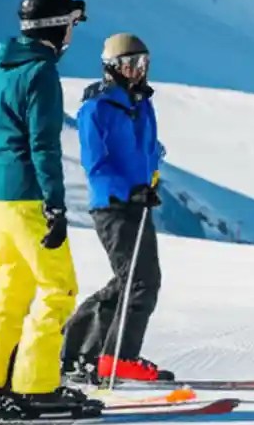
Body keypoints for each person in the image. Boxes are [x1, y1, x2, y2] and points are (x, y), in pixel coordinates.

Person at [0, 0, 100, 419]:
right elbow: (43, 146)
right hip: (27, 196)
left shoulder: (3, 69)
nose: (73, 33)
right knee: (58, 289)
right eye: (71, 24)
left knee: (11, 290)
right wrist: (55, 205)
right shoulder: (41, 74)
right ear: (55, 27)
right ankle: (36, 386)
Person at [60, 33, 172, 384]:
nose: (138, 72)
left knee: (128, 281)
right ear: (111, 69)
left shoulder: (141, 104)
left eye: (143, 64)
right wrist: (130, 191)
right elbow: (97, 163)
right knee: (142, 281)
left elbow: (148, 150)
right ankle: (119, 358)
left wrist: (150, 181)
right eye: (130, 65)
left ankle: (82, 353)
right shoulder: (97, 108)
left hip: (136, 202)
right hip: (113, 205)